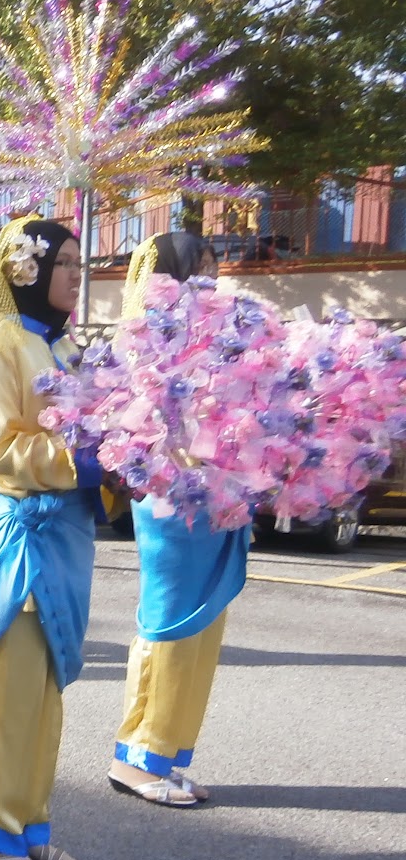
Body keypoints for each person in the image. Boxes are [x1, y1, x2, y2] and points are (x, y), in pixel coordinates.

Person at [0, 215, 103, 860]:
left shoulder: (62, 345)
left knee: (45, 691)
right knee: (11, 689)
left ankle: (31, 823)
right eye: (64, 261)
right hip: (21, 534)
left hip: (64, 534)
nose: (76, 273)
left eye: (78, 261)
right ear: (28, 269)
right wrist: (86, 458)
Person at [107, 232, 244, 807]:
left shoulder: (218, 331)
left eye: (213, 267)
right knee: (169, 626)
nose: (209, 278)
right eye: (198, 268)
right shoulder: (144, 337)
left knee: (205, 631)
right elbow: (141, 424)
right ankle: (135, 757)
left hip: (216, 497)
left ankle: (168, 755)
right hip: (171, 500)